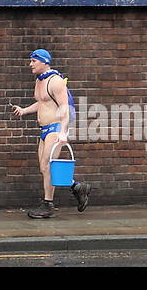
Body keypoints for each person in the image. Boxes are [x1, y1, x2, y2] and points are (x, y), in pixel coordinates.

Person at [11, 50, 91, 218]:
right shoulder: (40, 81)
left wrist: (63, 132)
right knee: (44, 168)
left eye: (34, 61)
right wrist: (24, 110)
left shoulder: (56, 81)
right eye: (30, 61)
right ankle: (78, 187)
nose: (30, 64)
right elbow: (41, 102)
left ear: (44, 61)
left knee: (47, 166)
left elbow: (65, 108)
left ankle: (48, 205)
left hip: (55, 128)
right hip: (44, 129)